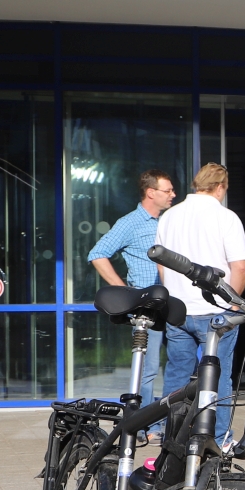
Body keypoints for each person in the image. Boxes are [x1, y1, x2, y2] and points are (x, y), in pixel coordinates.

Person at [155, 162, 245, 444]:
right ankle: (218, 439)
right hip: (216, 311)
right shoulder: (226, 217)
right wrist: (234, 305)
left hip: (178, 310)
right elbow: (240, 267)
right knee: (218, 378)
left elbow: (162, 265)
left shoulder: (169, 216)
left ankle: (172, 438)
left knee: (176, 378)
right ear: (220, 187)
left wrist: (174, 293)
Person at [86, 169, 176, 436]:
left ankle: (170, 425)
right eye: (168, 190)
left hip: (174, 303)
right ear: (151, 192)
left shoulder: (170, 221)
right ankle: (144, 426)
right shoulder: (130, 222)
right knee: (147, 371)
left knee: (178, 367)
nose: (173, 194)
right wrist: (124, 291)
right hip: (147, 308)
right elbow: (97, 254)